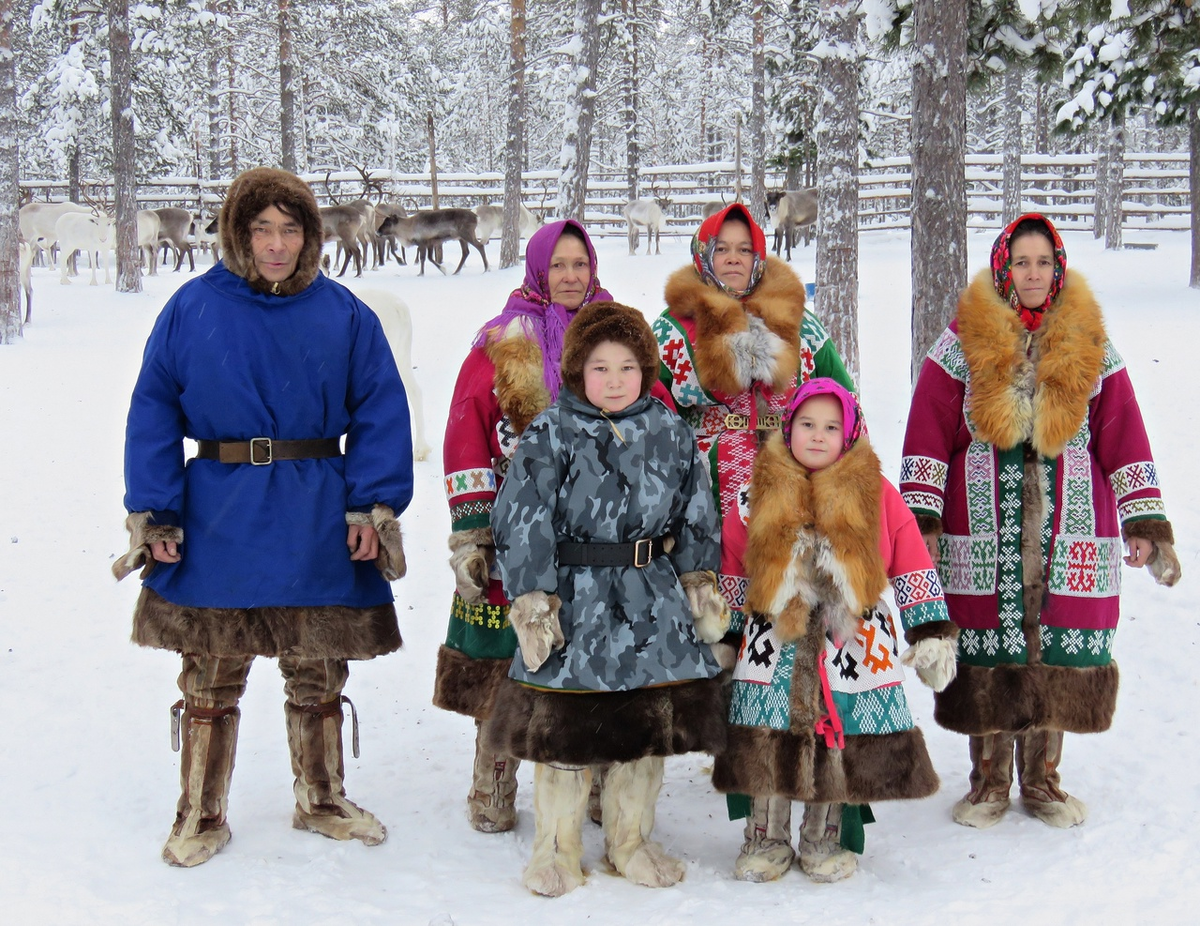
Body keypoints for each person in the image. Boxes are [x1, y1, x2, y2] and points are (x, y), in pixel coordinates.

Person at [113, 167, 412, 867]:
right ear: (238, 234)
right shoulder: (193, 308)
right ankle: (200, 812)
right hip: (221, 508)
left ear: (309, 236)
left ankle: (323, 797)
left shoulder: (343, 314)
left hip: (315, 505)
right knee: (211, 671)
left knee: (318, 668)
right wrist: (156, 510)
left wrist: (373, 502)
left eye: (290, 229)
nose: (276, 244)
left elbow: (380, 409)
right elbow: (153, 408)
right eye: (261, 229)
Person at [901, 212, 1181, 830]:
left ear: (1058, 270)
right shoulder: (959, 343)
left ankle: (1045, 782)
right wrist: (920, 517)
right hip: (982, 517)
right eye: (1022, 262)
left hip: (1071, 517)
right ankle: (989, 783)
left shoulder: (1092, 345)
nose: (1033, 273)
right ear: (1004, 268)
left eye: (1044, 263)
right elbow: (927, 429)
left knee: (1059, 647)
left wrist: (1144, 522)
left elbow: (1122, 433)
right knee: (987, 649)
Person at [483, 300, 729, 896]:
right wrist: (532, 596)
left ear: (646, 370)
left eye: (626, 367)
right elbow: (521, 514)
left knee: (643, 733)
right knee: (564, 733)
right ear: (575, 373)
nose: (614, 380)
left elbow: (698, 512)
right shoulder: (550, 431)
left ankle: (631, 841)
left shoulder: (672, 433)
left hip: (651, 598)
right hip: (575, 598)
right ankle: (557, 849)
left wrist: (698, 581)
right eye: (600, 368)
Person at [433, 220, 673, 832]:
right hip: (520, 535)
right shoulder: (502, 343)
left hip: (605, 538)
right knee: (506, 660)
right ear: (539, 269)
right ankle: (493, 778)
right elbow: (466, 435)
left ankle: (593, 776)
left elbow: (661, 419)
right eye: (559, 265)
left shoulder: (619, 337)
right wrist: (473, 530)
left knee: (597, 661)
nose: (571, 276)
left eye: (580, 265)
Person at [653, 202, 855, 867]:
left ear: (759, 256)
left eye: (745, 249)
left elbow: (843, 403)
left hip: (786, 495)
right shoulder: (674, 331)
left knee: (779, 638)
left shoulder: (800, 320)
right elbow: (650, 411)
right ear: (702, 253)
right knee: (714, 632)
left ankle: (784, 769)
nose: (734, 258)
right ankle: (721, 760)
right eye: (723, 247)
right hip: (706, 497)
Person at [711, 379, 955, 883]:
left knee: (840, 734)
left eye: (831, 427)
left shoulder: (878, 495)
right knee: (766, 731)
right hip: (774, 640)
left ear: (849, 434)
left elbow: (910, 560)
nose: (818, 436)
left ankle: (824, 836)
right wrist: (728, 638)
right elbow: (735, 568)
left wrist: (929, 630)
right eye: (807, 425)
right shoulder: (753, 493)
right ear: (788, 427)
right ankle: (765, 836)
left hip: (852, 643)